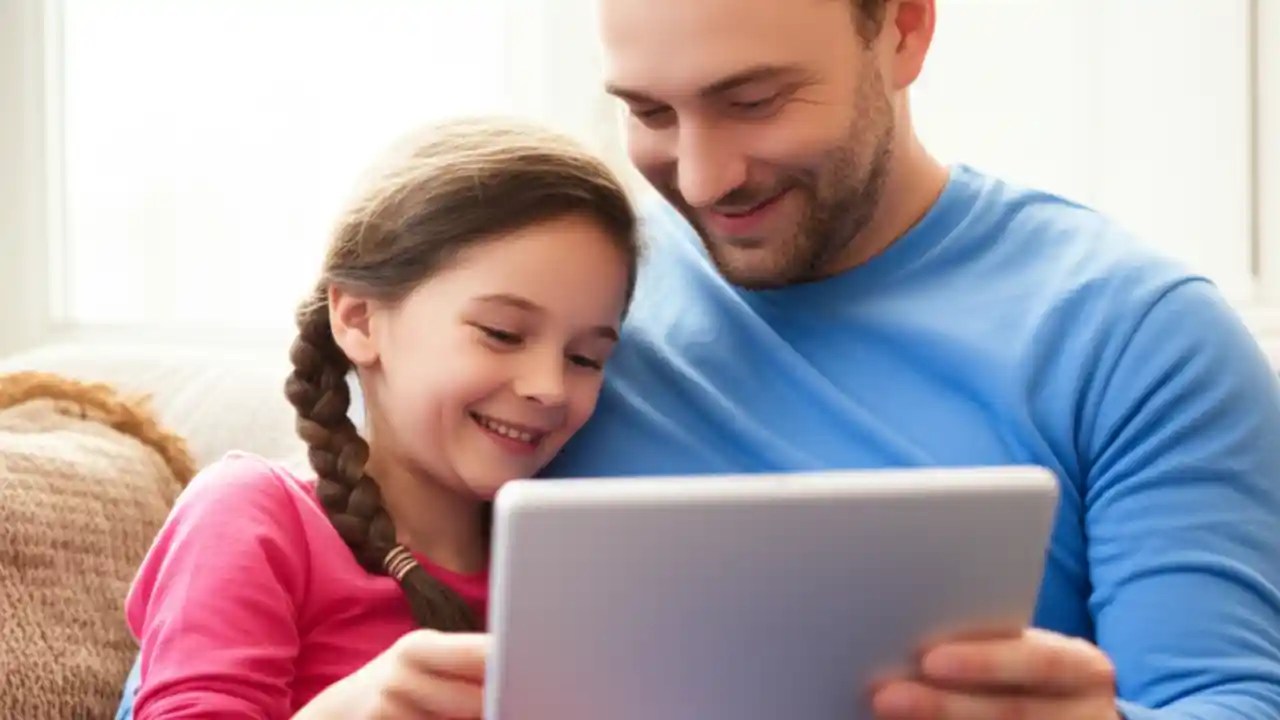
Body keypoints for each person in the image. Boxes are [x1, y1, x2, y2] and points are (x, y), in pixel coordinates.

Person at [536, 0, 1280, 719]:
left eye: (756, 101)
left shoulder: (1134, 337)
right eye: (650, 113)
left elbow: (1230, 701)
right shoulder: (562, 317)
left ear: (906, 30)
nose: (702, 181)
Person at [117, 116, 639, 719]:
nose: (549, 387)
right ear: (360, 319)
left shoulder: (571, 573)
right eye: (501, 333)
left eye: (585, 357)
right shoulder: (253, 515)